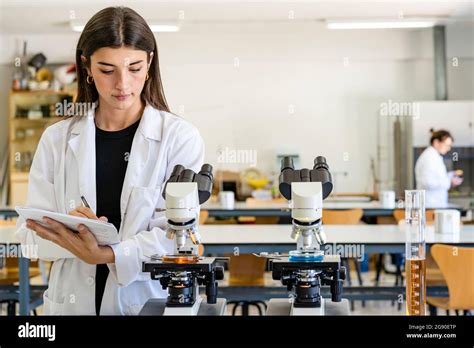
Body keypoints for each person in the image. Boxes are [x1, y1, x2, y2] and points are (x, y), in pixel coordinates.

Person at [15, 6, 204, 315]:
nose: (123, 83)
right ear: (86, 67)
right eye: (107, 69)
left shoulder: (179, 138)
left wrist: (105, 254)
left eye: (134, 67)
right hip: (72, 302)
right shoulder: (57, 139)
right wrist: (72, 233)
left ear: (150, 64)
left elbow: (177, 237)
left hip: (146, 299)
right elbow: (29, 236)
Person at [415, 129, 463, 207]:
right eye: (447, 145)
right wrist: (449, 182)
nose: (449, 149)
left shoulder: (434, 156)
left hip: (435, 203)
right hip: (430, 204)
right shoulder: (429, 157)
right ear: (436, 142)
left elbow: (437, 177)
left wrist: (451, 175)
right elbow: (428, 182)